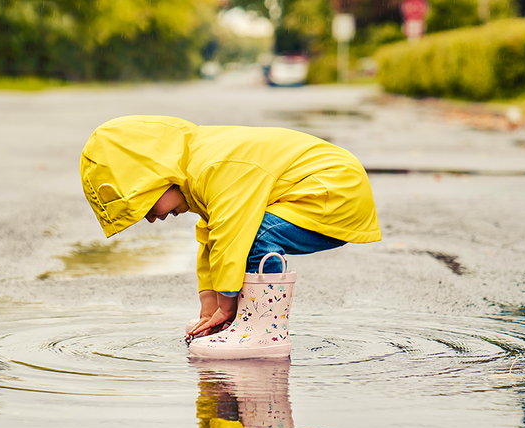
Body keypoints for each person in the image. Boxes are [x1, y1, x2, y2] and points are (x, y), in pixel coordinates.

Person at [80, 115, 380, 359]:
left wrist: (227, 307)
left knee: (252, 236)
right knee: (237, 235)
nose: (149, 217)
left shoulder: (211, 165)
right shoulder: (193, 169)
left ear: (153, 175)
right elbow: (211, 237)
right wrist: (209, 306)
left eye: (143, 205)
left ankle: (263, 331)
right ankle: (248, 323)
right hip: (320, 190)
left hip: (332, 192)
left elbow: (231, 236)